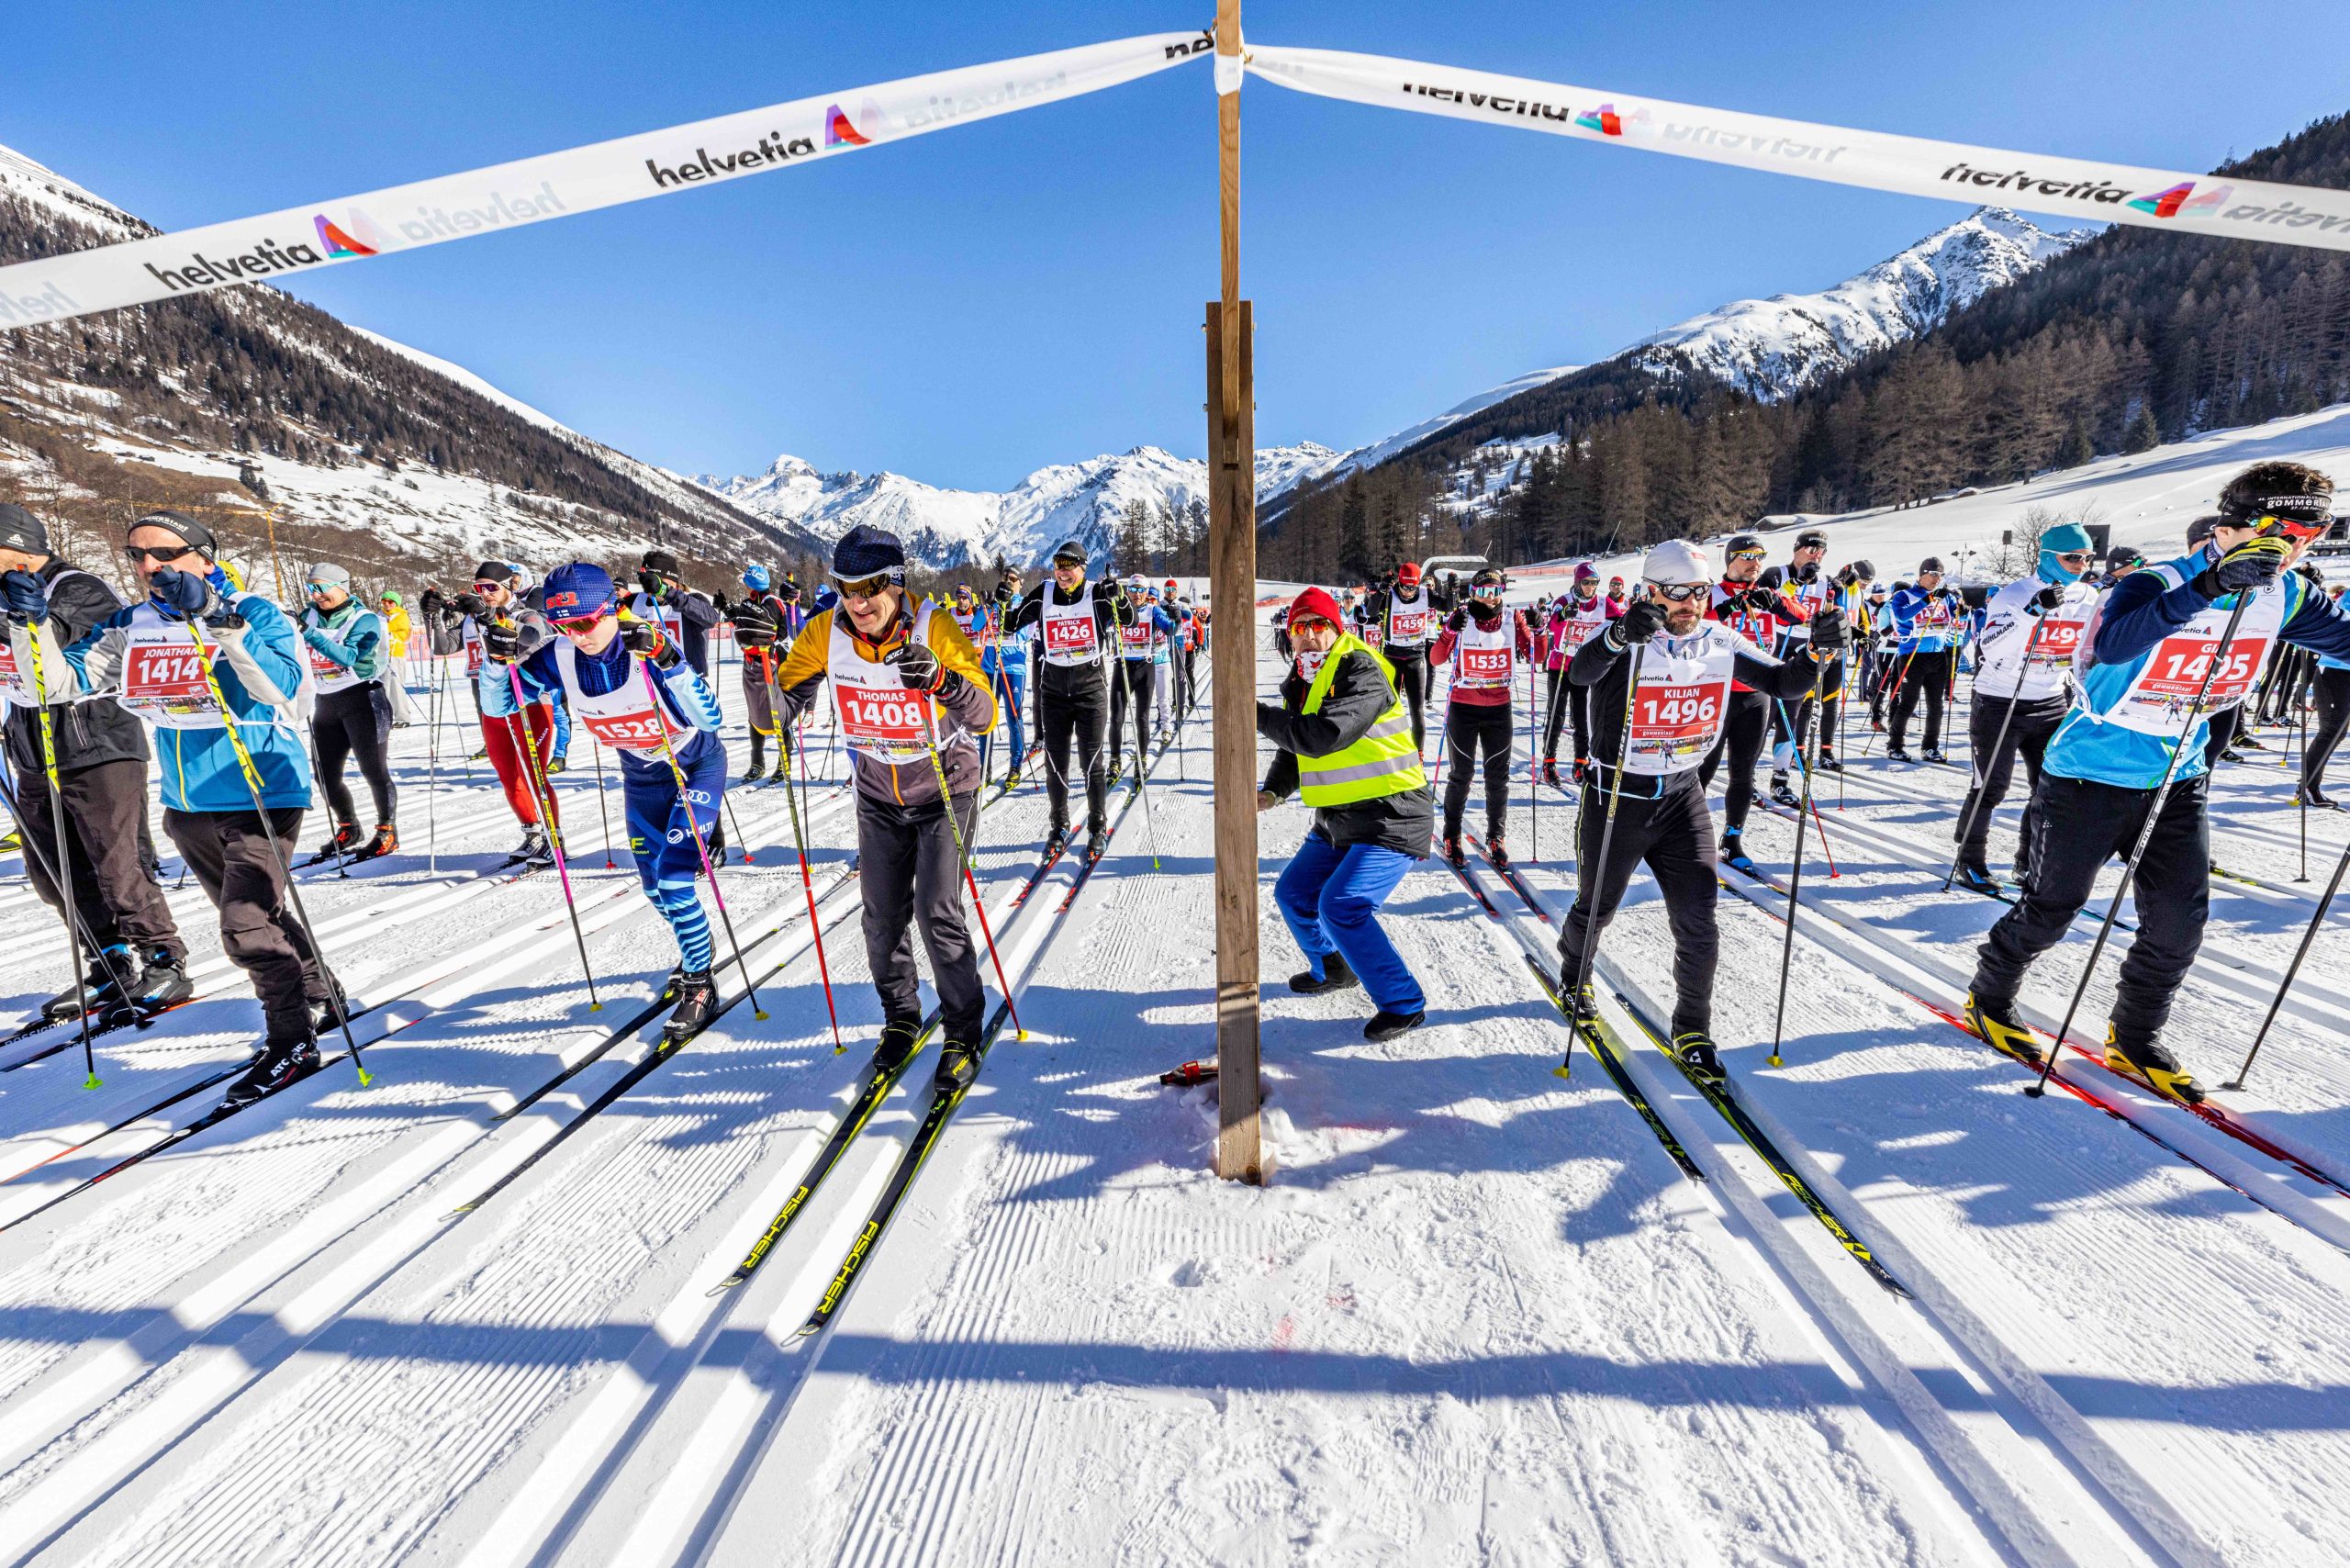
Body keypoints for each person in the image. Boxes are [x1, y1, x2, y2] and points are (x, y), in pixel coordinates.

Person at [1964, 461, 2350, 1103]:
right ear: (2246, 525)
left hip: (2178, 774)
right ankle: (1991, 994)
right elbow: (2114, 644)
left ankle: (2134, 1035)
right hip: (2088, 773)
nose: (2299, 548)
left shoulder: (2288, 592)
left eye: (2314, 535)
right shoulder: (2152, 580)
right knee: (2053, 910)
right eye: (2292, 533)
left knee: (2179, 922)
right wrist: (2209, 585)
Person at [48, 510, 336, 1106]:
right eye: (136, 555)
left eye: (164, 553)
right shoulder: (135, 623)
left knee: (244, 925)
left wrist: (219, 620)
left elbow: (286, 691)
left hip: (263, 792)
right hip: (188, 803)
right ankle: (322, 990)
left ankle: (293, 1040)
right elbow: (61, 684)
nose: (149, 566)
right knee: (258, 911)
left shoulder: (256, 611)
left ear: (204, 556)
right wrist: (25, 629)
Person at [1560, 540, 1845, 1080]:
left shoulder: (1721, 637)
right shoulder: (1623, 637)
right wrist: (1620, 635)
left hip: (1682, 798)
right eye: (1676, 594)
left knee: (1699, 919)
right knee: (1596, 907)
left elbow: (1785, 683)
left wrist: (1818, 651)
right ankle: (1574, 972)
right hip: (1617, 795)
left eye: (1698, 592)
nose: (1689, 603)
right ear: (1651, 592)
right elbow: (1580, 673)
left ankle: (1693, 1025)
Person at [769, 524, 998, 1088]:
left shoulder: (933, 625)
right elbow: (773, 716)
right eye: (845, 588)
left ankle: (963, 1030)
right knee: (881, 916)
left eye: (870, 586)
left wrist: (943, 680)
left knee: (937, 911)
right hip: (877, 796)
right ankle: (901, 1018)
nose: (857, 601)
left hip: (944, 789)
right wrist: (756, 669)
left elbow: (985, 715)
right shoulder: (825, 632)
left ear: (897, 583)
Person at [501, 563, 732, 1038]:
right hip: (643, 778)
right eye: (562, 625)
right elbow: (501, 701)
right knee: (652, 890)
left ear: (612, 608)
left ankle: (699, 982)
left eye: (585, 622)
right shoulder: (564, 655)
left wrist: (670, 659)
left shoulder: (645, 643)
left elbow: (711, 718)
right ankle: (697, 954)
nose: (576, 634)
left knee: (673, 881)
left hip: (695, 768)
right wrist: (495, 661)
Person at [0, 502, 192, 1022]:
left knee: (116, 861)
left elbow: (64, 651)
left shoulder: (78, 587)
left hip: (97, 746)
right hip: (34, 751)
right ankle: (108, 961)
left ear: (15, 548)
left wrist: (15, 619)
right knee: (52, 868)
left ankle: (162, 957)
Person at [1257, 585, 1431, 1043]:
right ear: (1289, 637)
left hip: (1391, 814)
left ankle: (1403, 1002)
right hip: (1339, 818)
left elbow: (1323, 735)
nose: (1310, 635)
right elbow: (1297, 746)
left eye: (1320, 626)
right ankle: (1334, 967)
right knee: (1294, 894)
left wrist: (1251, 713)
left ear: (1337, 629)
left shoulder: (1361, 668)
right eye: (1300, 628)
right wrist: (1274, 790)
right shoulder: (1301, 680)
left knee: (1343, 905)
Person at [1950, 523, 2101, 894]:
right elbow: (1989, 648)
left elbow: (2086, 649)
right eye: (2072, 558)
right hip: (2000, 702)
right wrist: (2032, 612)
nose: (2080, 565)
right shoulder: (2014, 593)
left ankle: (2026, 861)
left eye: (2087, 558)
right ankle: (1970, 862)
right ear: (2049, 557)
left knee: (2047, 788)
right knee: (1990, 787)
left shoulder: (2088, 595)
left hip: (2050, 702)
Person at [1000, 541, 1130, 858]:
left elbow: (1129, 621)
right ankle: (1059, 824)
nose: (1062, 572)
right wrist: (1003, 603)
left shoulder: (1097, 593)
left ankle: (1097, 826)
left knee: (1091, 765)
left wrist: (1120, 597)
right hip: (1054, 693)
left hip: (1090, 691)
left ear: (1083, 568)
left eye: (1069, 567)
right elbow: (1009, 626)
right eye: (1058, 565)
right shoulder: (1043, 594)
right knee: (1055, 764)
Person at [1701, 534, 1804, 873]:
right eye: (1746, 556)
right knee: (1701, 771)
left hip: (1756, 694)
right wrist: (1725, 609)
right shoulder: (1712, 594)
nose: (1754, 563)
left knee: (1743, 773)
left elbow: (1799, 616)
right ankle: (1683, 835)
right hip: (1715, 693)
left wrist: (1777, 605)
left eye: (1759, 557)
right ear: (1730, 560)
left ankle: (1732, 839)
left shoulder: (1769, 594)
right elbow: (1691, 624)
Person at [450, 562, 560, 867]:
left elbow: (533, 635)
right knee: (508, 775)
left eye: (491, 587)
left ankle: (554, 836)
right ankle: (533, 833)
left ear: (508, 586)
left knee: (533, 772)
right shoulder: (476, 618)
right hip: (493, 705)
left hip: (532, 703)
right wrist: (434, 615)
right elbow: (442, 646)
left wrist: (490, 617)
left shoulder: (525, 612)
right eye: (479, 588)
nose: (485, 594)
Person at [1429, 567, 1534, 868]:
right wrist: (1449, 630)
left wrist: (1537, 630)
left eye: (1496, 592)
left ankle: (1495, 837)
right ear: (1473, 593)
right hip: (1464, 707)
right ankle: (1452, 834)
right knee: (1461, 775)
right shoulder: (1462, 619)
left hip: (1499, 708)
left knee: (1498, 777)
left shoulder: (1512, 619)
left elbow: (1537, 654)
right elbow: (1435, 658)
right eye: (1484, 592)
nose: (1490, 599)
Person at [298, 562, 398, 862]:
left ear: (342, 586)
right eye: (310, 588)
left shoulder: (364, 619)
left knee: (374, 771)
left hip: (364, 701)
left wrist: (309, 633)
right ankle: (349, 827)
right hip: (326, 703)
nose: (316, 594)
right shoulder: (309, 615)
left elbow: (350, 657)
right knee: (325, 775)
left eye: (321, 587)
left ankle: (387, 831)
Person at [1757, 529, 1842, 795]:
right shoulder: (1776, 574)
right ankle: (1745, 776)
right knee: (1763, 715)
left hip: (1806, 651)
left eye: (1821, 551)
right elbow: (1762, 601)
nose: (1815, 555)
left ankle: (1780, 780)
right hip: (1774, 647)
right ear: (1797, 549)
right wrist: (1796, 583)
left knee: (1790, 716)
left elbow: (1834, 616)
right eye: (1810, 549)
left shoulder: (1827, 582)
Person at [1538, 564, 1618, 786]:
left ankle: (1580, 763)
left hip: (1584, 667)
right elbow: (1552, 625)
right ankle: (1549, 762)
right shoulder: (1564, 601)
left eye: (1594, 583)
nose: (1590, 587)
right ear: (1577, 582)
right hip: (1560, 664)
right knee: (1556, 716)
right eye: (1586, 582)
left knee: (1582, 718)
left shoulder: (1604, 602)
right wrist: (1564, 615)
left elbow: (1620, 621)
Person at [1885, 557, 1964, 762]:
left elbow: (1959, 615)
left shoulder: (1943, 597)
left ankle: (1930, 747)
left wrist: (1960, 606)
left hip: (1938, 655)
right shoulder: (1905, 595)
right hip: (1913, 655)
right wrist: (1927, 600)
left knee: (1936, 705)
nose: (1937, 579)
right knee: (1908, 703)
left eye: (1940, 575)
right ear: (1921, 575)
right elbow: (1902, 616)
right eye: (1933, 574)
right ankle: (1895, 745)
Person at [1360, 561, 1441, 754]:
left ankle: (1418, 755)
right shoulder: (1390, 593)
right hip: (1392, 657)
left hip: (1415, 657)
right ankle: (1389, 750)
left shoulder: (1424, 594)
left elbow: (1449, 605)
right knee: (1389, 708)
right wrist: (1380, 591)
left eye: (1412, 588)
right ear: (1399, 583)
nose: (1408, 592)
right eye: (1404, 587)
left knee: (1417, 710)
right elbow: (1371, 611)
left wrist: (1454, 589)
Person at [729, 565, 799, 783]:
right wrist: (732, 614)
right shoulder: (751, 601)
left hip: (773, 661)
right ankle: (757, 763)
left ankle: (784, 763)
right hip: (752, 662)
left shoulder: (773, 603)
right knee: (754, 712)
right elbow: (746, 628)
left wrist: (765, 639)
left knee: (777, 712)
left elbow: (783, 634)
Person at [1109, 576, 1176, 783]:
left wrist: (1176, 619)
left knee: (1142, 718)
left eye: (1140, 590)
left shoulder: (1153, 610)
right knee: (1117, 718)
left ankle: (1141, 761)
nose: (1137, 594)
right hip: (1122, 667)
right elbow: (1104, 621)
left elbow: (1170, 629)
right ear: (1127, 591)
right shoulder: (1119, 607)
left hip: (1145, 667)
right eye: (1133, 590)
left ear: (1146, 593)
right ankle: (1115, 761)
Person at [628, 548, 720, 678]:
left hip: (688, 681)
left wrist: (666, 591)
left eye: (660, 581)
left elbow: (712, 618)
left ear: (674, 583)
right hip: (648, 681)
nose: (653, 587)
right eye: (648, 581)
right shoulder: (635, 602)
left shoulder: (691, 599)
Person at [979, 570, 1031, 783]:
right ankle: (984, 768)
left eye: (1013, 580)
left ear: (1020, 583)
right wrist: (987, 606)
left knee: (1013, 718)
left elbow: (1024, 633)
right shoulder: (994, 602)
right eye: (1006, 579)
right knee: (986, 719)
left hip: (1013, 668)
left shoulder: (1023, 604)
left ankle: (1015, 766)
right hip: (990, 668)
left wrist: (1007, 608)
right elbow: (976, 626)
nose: (1009, 582)